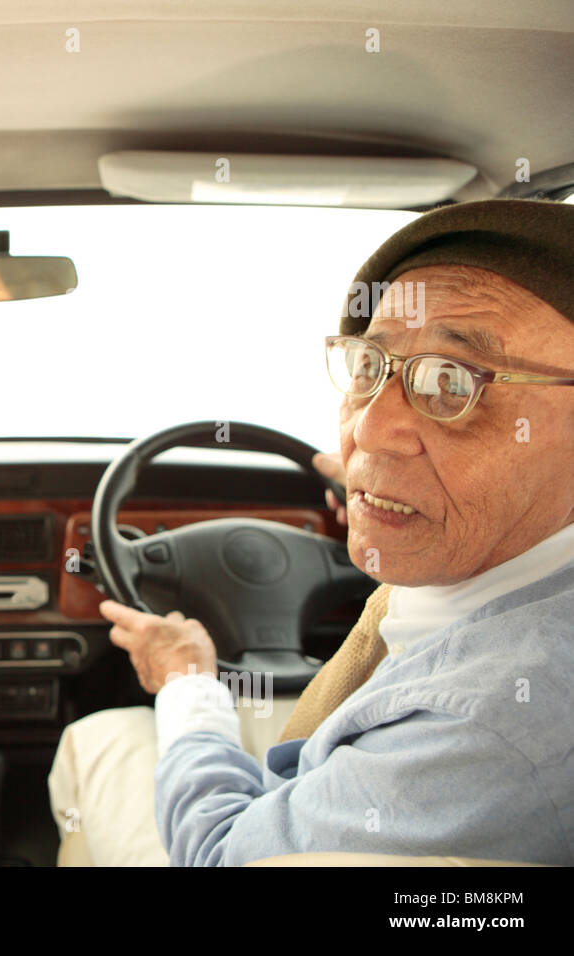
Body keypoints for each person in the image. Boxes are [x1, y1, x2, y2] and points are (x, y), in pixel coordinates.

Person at [50, 198, 574, 866]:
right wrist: (381, 494)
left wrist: (188, 681)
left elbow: (221, 853)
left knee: (97, 738)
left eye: (451, 382)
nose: (368, 431)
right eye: (370, 367)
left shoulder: (490, 725)